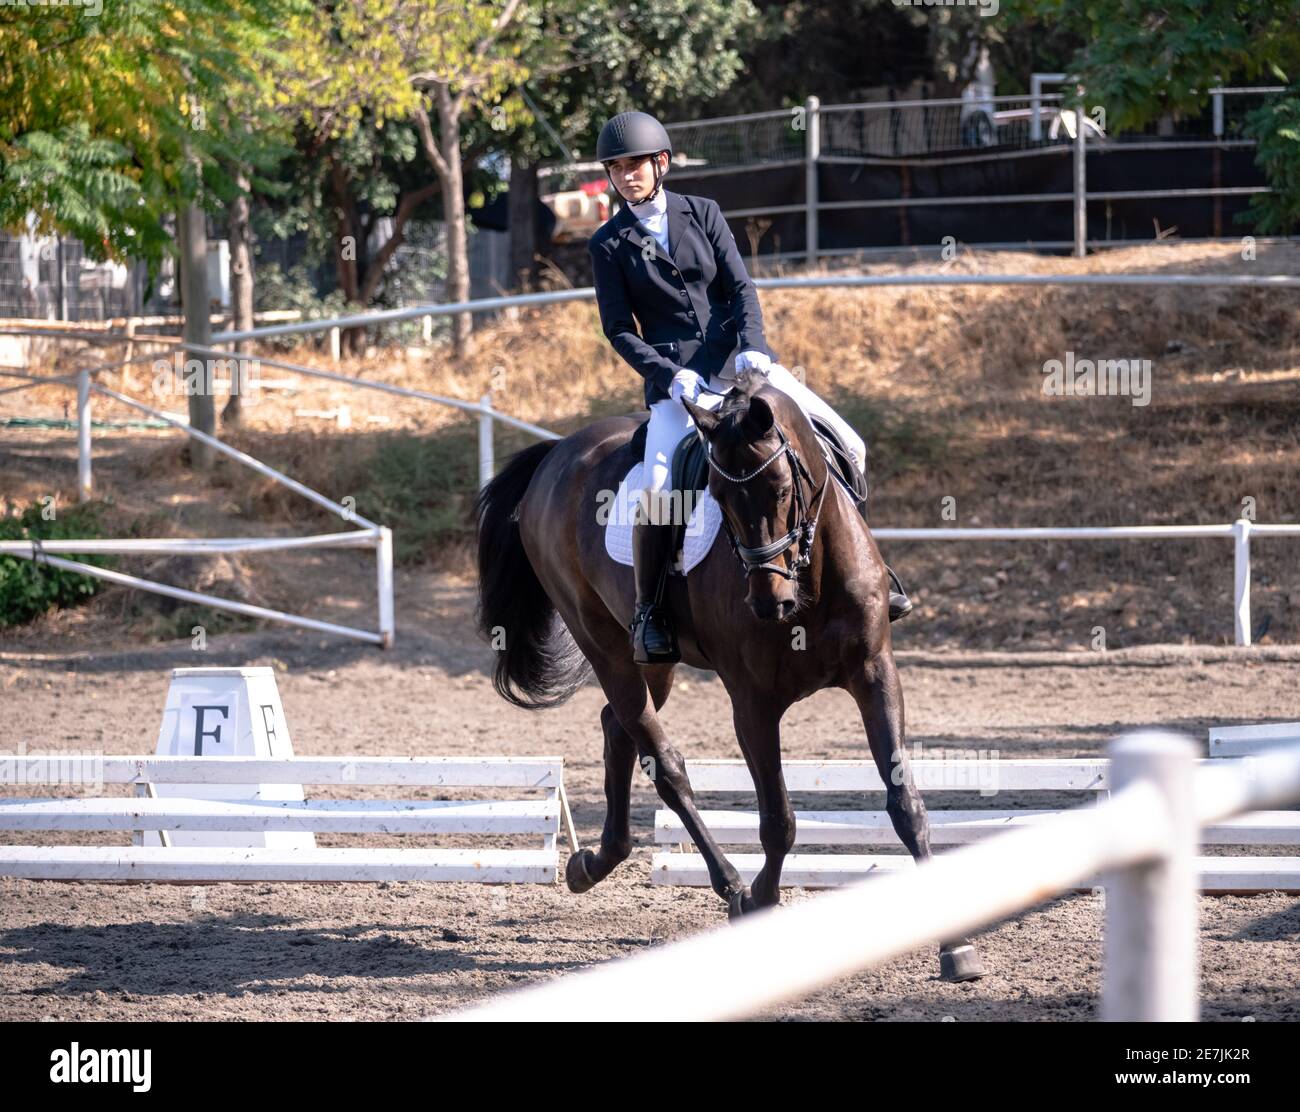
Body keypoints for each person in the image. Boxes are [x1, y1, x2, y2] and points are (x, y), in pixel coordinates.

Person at [587, 110, 912, 665]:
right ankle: (650, 613)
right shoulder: (609, 243)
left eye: (635, 164)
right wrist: (669, 376)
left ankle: (872, 571)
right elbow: (618, 329)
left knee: (848, 443)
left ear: (660, 162)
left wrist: (753, 342)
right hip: (679, 388)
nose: (626, 176)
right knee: (661, 490)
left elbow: (739, 287)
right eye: (616, 168)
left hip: (741, 366)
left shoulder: (704, 213)